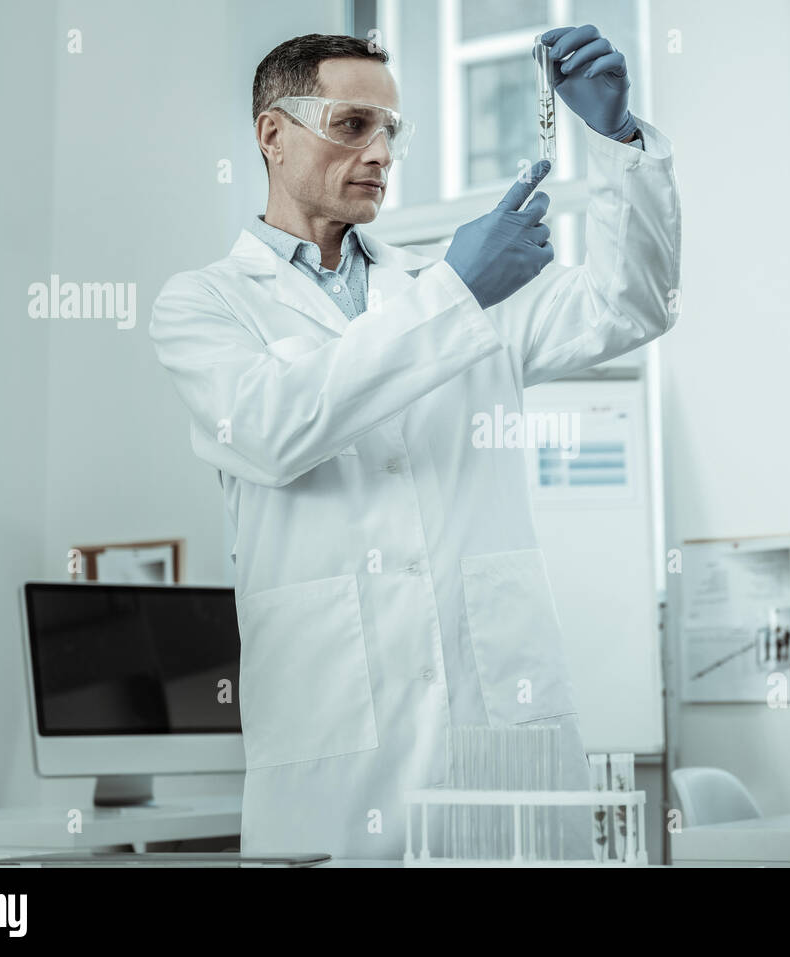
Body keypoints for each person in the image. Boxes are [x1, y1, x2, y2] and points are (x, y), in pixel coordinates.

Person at [149, 26, 681, 861]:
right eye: (352, 124)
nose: (380, 152)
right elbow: (272, 429)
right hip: (337, 762)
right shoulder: (205, 305)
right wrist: (456, 290)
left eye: (391, 129)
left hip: (498, 745)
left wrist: (617, 142)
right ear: (271, 135)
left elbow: (631, 305)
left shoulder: (450, 285)